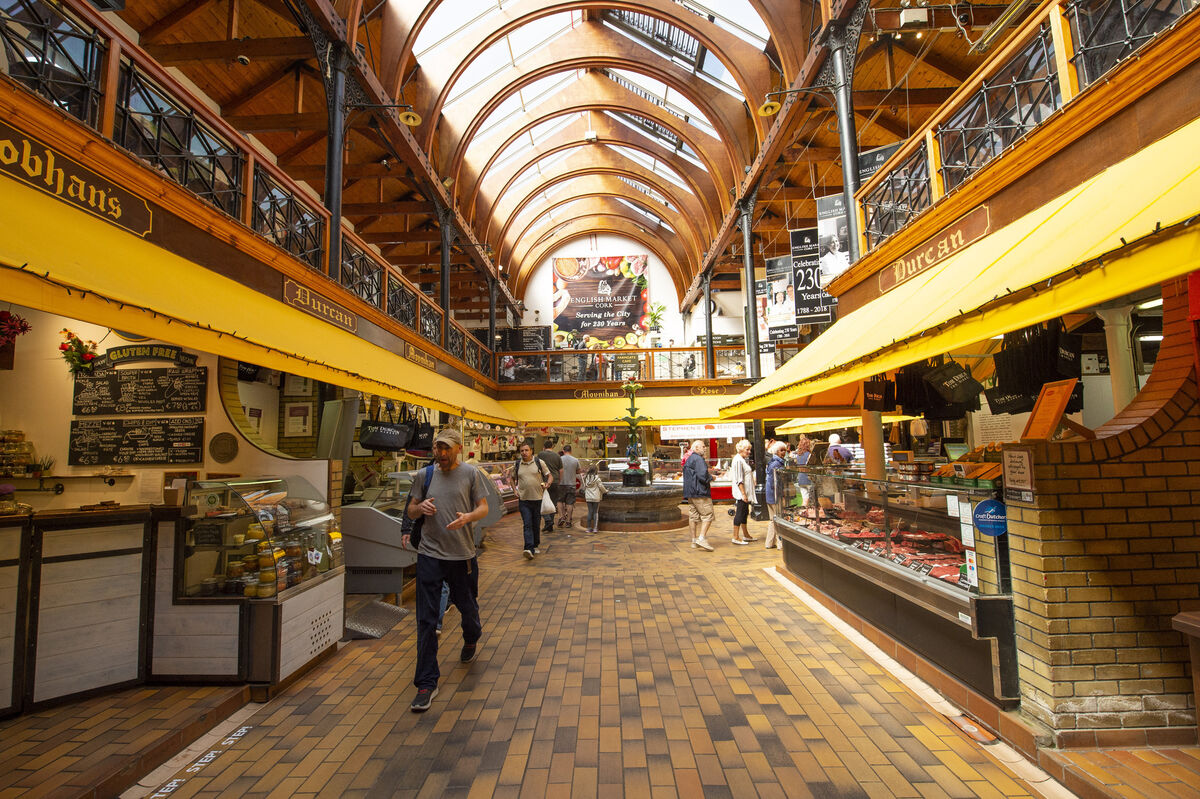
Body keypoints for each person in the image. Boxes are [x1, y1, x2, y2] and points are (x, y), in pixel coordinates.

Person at [403, 428, 491, 713]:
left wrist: (468, 517)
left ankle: (471, 635)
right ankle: (426, 682)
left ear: (458, 448)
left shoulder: (470, 474)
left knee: (467, 606)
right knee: (427, 620)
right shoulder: (424, 475)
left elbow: (483, 508)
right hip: (429, 553)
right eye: (437, 448)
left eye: (445, 448)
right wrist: (421, 508)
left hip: (462, 554)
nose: (440, 454)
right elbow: (411, 510)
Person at [508, 442, 551, 560]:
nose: (524, 453)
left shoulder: (539, 462)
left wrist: (548, 483)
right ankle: (528, 548)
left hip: (537, 498)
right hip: (524, 500)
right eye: (522, 451)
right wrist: (514, 490)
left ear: (531, 451)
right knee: (527, 524)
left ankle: (535, 543)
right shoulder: (517, 464)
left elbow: (549, 475)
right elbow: (511, 478)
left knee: (536, 524)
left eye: (526, 450)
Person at [682, 439, 714, 552]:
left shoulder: (690, 459)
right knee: (708, 515)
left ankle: (694, 541)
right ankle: (702, 538)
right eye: (703, 446)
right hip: (700, 492)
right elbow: (702, 476)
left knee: (693, 517)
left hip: (690, 493)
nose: (705, 448)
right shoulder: (698, 459)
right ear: (696, 448)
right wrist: (711, 477)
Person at [729, 439, 756, 545]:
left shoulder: (741, 459)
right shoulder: (738, 460)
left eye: (750, 449)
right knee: (740, 513)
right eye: (747, 449)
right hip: (742, 494)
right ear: (741, 449)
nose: (749, 452)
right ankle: (735, 536)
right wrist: (743, 494)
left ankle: (746, 534)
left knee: (745, 512)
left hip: (746, 493)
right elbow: (739, 479)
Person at [763, 440, 788, 550]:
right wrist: (781, 494)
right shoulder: (777, 464)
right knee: (778, 519)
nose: (783, 452)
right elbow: (775, 483)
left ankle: (769, 543)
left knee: (773, 520)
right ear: (776, 451)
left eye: (785, 450)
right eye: (781, 450)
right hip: (775, 496)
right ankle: (780, 544)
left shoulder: (772, 462)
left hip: (769, 495)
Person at [538, 441, 563, 533]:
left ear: (544, 446)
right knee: (552, 503)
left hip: (544, 481)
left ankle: (548, 520)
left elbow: (537, 465)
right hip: (555, 481)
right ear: (552, 446)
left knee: (542, 501)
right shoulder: (557, 456)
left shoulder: (541, 454)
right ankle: (549, 525)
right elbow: (561, 470)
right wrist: (560, 480)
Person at [558, 444, 580, 527]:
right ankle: (568, 521)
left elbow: (557, 470)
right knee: (570, 503)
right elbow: (578, 471)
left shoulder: (559, 459)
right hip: (571, 484)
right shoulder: (575, 460)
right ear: (571, 451)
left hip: (561, 484)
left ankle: (561, 517)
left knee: (560, 501)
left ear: (563, 451)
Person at [581, 464, 607, 533]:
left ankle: (588, 528)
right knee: (595, 512)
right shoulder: (597, 478)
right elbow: (601, 487)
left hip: (588, 497)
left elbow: (584, 486)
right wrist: (605, 491)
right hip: (596, 497)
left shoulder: (586, 478)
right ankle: (595, 528)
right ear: (596, 470)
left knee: (590, 512)